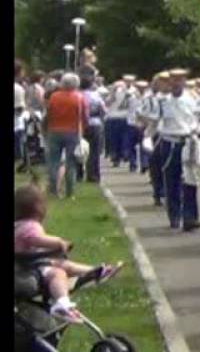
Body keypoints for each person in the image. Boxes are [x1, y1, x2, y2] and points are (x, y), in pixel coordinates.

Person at [15, 185, 124, 323]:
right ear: (38, 208)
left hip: (25, 264)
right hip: (30, 268)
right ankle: (62, 303)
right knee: (58, 273)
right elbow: (37, 239)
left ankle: (95, 271)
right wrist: (58, 243)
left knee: (64, 264)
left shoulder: (18, 225)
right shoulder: (30, 226)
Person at [156, 69, 200, 231]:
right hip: (169, 141)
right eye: (173, 80)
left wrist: (195, 130)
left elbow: (199, 119)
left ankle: (190, 216)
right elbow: (156, 121)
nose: (176, 83)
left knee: (190, 180)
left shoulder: (192, 99)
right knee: (172, 179)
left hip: (188, 141)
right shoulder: (163, 101)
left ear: (184, 81)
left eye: (180, 80)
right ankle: (174, 216)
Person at [43, 72, 87, 199]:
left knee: (53, 162)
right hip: (72, 132)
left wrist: (46, 129)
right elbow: (84, 116)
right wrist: (83, 130)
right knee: (71, 163)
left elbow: (49, 113)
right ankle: (70, 192)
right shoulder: (79, 97)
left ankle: (53, 191)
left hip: (54, 130)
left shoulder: (54, 96)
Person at [140, 73, 169, 205]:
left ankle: (166, 192)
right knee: (155, 163)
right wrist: (149, 123)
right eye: (161, 82)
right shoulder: (150, 98)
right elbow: (141, 113)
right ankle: (158, 193)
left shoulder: (174, 98)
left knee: (167, 165)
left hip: (169, 134)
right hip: (154, 133)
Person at [77, 68, 107, 183]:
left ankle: (78, 174)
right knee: (94, 151)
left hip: (80, 124)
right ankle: (93, 175)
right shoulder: (96, 96)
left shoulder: (77, 95)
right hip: (95, 124)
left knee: (79, 149)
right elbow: (103, 110)